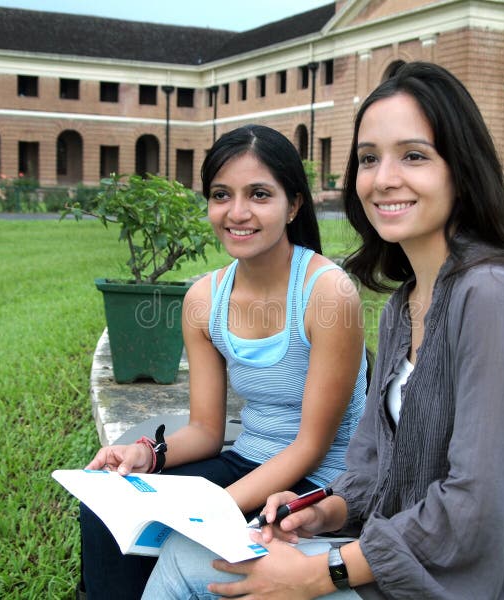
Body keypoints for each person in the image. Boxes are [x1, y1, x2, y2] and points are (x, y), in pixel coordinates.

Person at [142, 61, 504, 599]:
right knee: (189, 554)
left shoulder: (490, 295)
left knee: (191, 566)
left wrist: (320, 573)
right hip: (391, 558)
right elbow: (375, 468)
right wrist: (321, 511)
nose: (384, 178)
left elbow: (477, 506)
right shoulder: (404, 305)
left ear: (460, 169)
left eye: (414, 156)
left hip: (464, 584)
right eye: (369, 159)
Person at [79, 124, 368, 599]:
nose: (237, 212)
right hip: (245, 459)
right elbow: (206, 430)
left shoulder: (327, 292)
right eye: (221, 194)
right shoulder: (203, 298)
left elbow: (310, 446)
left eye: (258, 194)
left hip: (316, 481)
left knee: (190, 534)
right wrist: (147, 455)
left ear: (293, 205)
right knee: (108, 508)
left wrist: (207, 509)